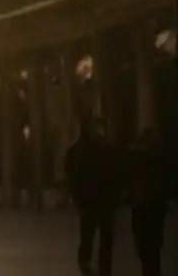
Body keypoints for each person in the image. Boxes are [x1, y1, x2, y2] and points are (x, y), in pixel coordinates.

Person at [65, 117, 121, 276]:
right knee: (97, 237)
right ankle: (96, 266)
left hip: (96, 201)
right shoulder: (99, 149)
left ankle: (91, 264)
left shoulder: (79, 150)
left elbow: (70, 173)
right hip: (97, 201)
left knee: (94, 236)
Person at [126, 128, 167, 276]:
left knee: (147, 245)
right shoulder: (153, 159)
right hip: (149, 206)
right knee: (150, 246)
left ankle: (151, 271)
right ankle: (151, 271)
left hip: (147, 206)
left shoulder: (144, 159)